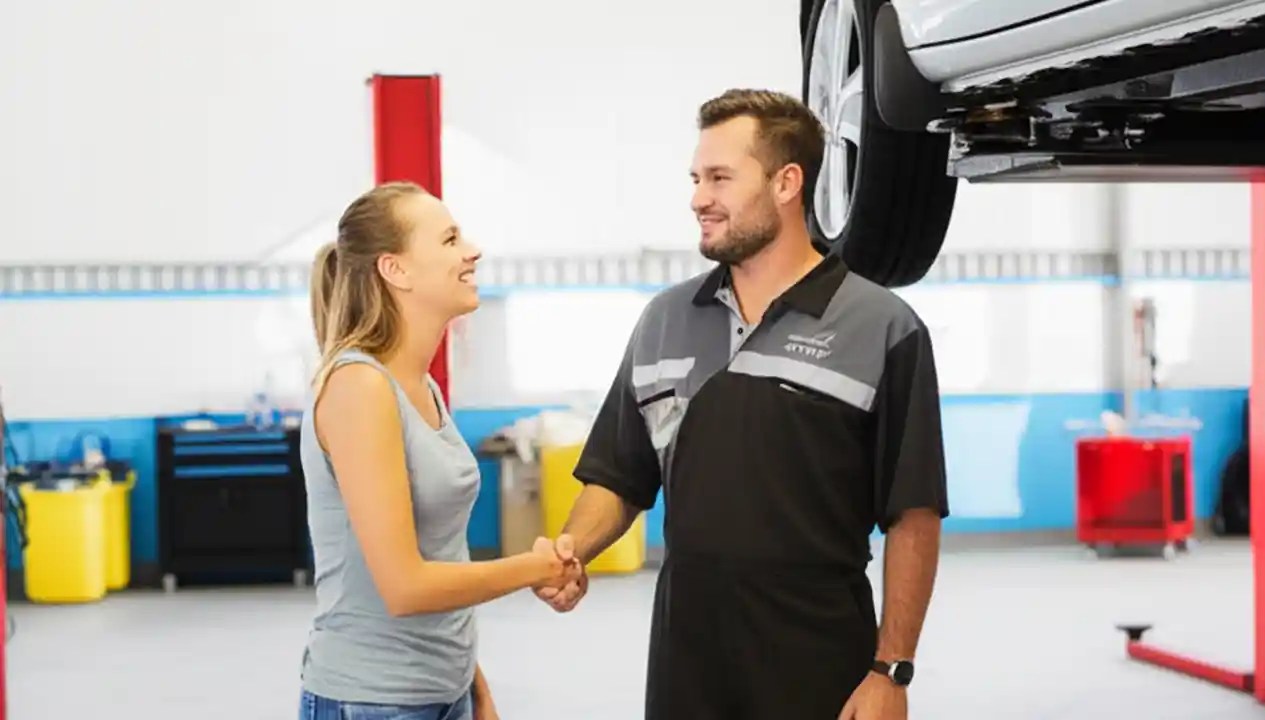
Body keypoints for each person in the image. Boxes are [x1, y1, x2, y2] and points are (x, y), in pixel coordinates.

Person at [536, 89, 949, 719]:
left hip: (821, 670)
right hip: (686, 671)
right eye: (696, 179)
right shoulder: (664, 320)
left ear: (787, 183)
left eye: (720, 178)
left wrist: (891, 671)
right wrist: (572, 551)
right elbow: (618, 477)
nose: (699, 198)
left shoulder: (884, 327)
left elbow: (913, 514)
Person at [299, 181, 581, 720]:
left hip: (444, 691)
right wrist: (536, 568)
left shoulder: (421, 386)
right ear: (395, 270)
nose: (472, 251)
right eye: (450, 239)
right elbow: (405, 586)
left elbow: (443, 555)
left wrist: (475, 686)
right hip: (372, 700)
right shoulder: (359, 387)